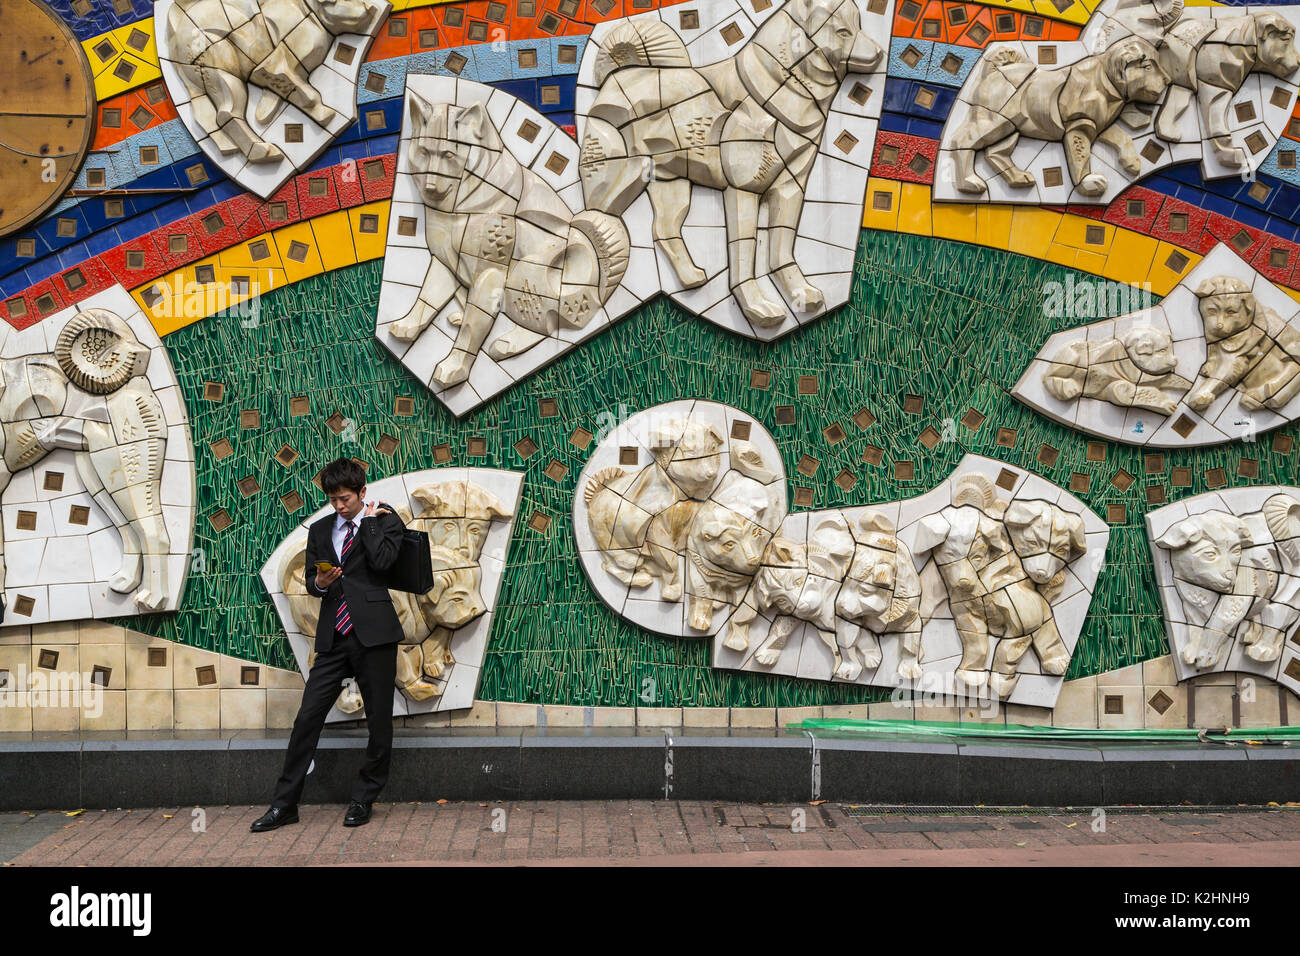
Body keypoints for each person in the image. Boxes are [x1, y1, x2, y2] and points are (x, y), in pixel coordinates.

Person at [251, 457, 406, 831]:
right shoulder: (320, 529)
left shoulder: (387, 520)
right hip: (334, 637)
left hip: (374, 636)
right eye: (333, 499)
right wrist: (321, 583)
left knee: (379, 723)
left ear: (362, 493)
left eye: (346, 499)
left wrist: (367, 522)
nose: (339, 506)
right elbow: (310, 580)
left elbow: (385, 563)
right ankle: (284, 804)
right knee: (307, 718)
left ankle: (364, 798)